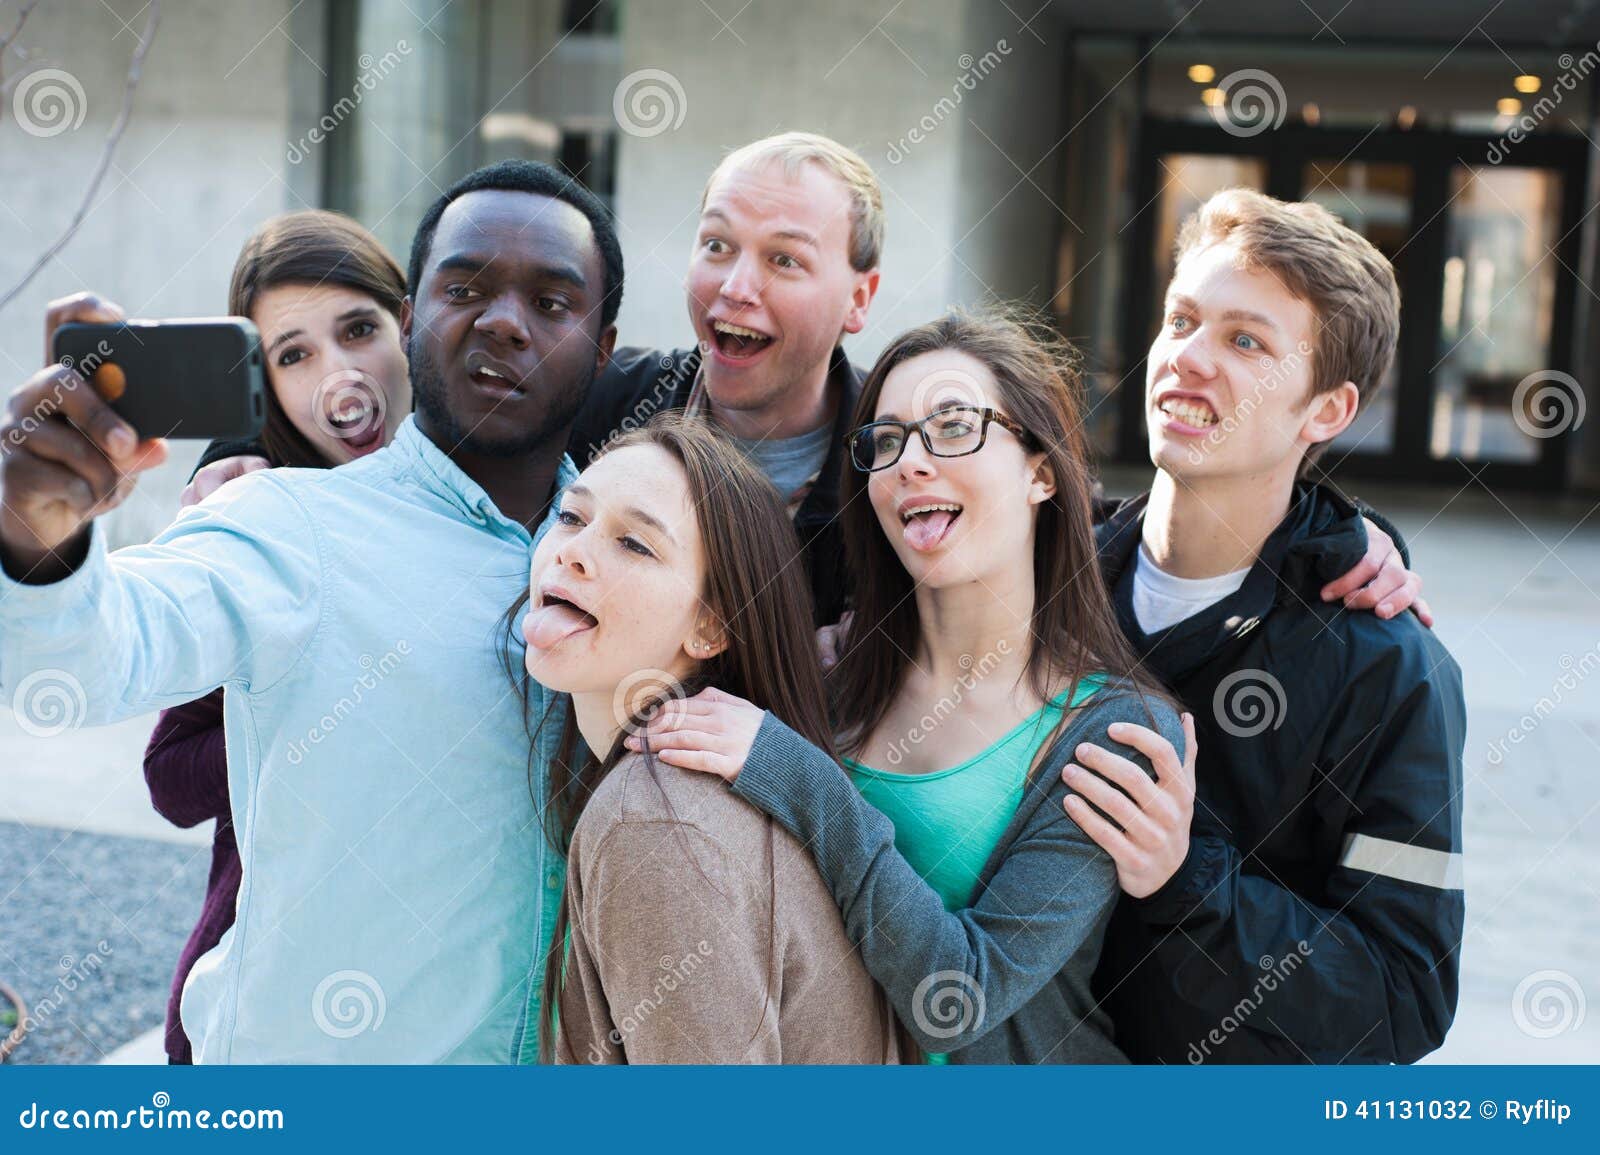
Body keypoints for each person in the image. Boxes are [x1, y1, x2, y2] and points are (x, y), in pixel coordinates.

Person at [189, 133, 1422, 627]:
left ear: (858, 297)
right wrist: (238, 455)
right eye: (717, 245)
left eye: (784, 260)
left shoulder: (906, 453)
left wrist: (1333, 529)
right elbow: (423, 406)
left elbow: (1084, 526)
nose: (736, 287)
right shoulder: (611, 403)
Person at [0, 159, 621, 1062]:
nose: (501, 320)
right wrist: (37, 537)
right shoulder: (284, 524)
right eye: (464, 288)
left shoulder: (629, 558)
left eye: (553, 301)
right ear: (414, 318)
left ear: (604, 348)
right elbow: (87, 656)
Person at [629, 311, 1185, 1063]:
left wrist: (792, 772)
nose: (910, 463)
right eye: (885, 441)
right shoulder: (827, 685)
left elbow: (957, 999)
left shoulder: (1115, 735)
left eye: (953, 427)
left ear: (1041, 471)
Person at [1069, 188, 1466, 1063]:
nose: (1189, 358)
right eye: (1181, 320)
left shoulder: (1390, 668)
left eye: (1245, 341)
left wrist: (1187, 877)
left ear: (1327, 410)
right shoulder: (1041, 585)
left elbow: (1403, 997)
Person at [519, 414, 899, 1063]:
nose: (571, 550)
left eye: (634, 544)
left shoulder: (654, 822)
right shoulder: (678, 798)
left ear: (711, 628)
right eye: (571, 516)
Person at [140, 209, 412, 1065]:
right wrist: (308, 712)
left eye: (359, 330)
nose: (340, 377)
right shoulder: (259, 533)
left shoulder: (514, 497)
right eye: (294, 355)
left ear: (411, 325)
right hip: (258, 1010)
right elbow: (170, 778)